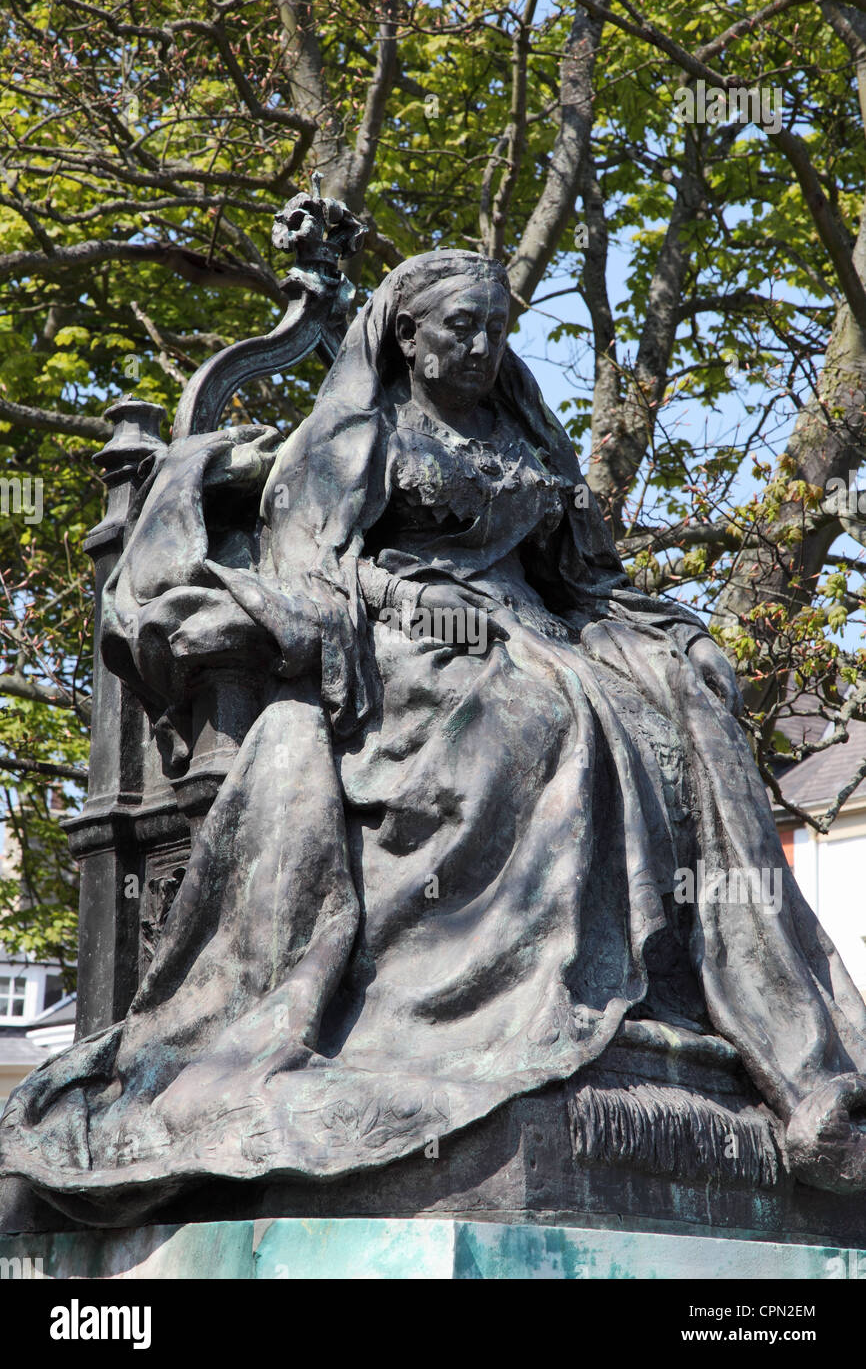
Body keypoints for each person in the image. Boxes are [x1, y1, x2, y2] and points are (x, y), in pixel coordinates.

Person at [3, 249, 866, 1224]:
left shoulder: (521, 432)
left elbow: (581, 570)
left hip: (544, 626)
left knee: (687, 696)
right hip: (410, 628)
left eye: (495, 327)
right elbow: (311, 560)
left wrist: (656, 632)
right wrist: (410, 599)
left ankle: (747, 1023)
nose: (481, 344)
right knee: (547, 710)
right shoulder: (363, 429)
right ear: (405, 335)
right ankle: (510, 987)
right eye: (459, 326)